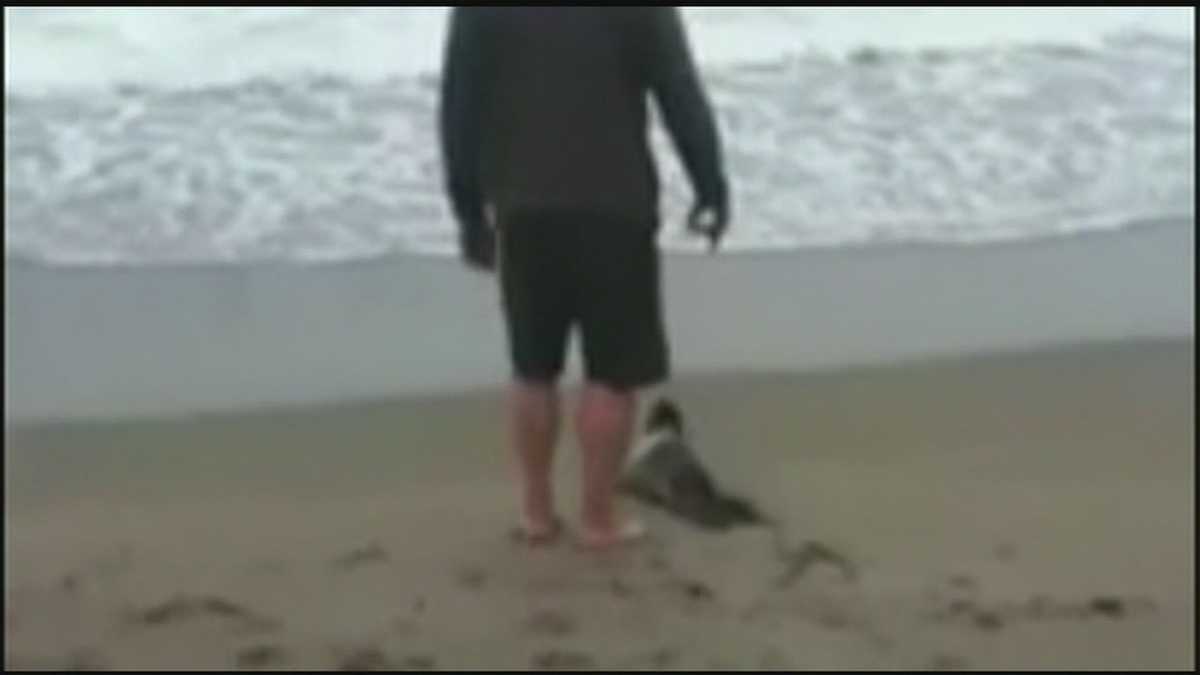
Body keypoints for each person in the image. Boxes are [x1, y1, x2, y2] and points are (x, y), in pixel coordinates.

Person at [439, 7, 729, 550]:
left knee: (532, 366)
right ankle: (598, 518)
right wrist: (709, 182)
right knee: (613, 373)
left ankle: (536, 511)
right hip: (614, 203)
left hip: (523, 205)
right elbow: (678, 90)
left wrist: (468, 211)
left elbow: (459, 103)